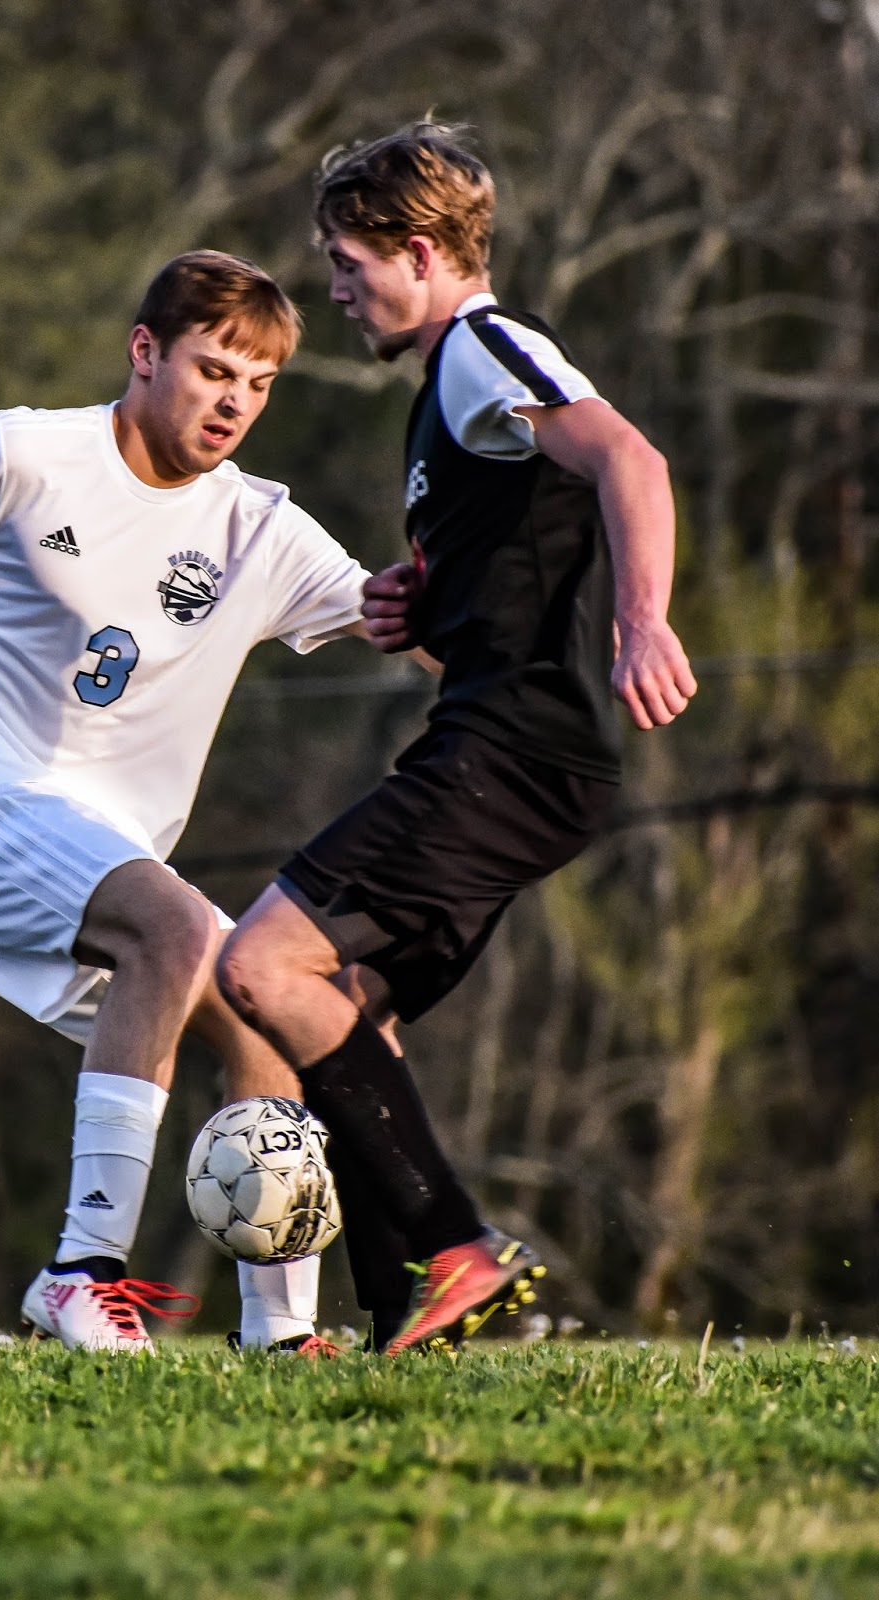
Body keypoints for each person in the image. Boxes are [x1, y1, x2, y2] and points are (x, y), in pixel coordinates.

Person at [0, 250, 403, 1356]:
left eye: (258, 385)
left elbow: (414, 627)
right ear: (144, 351)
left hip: (96, 853)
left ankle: (282, 1331)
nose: (233, 402)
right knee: (168, 923)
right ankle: (79, 1273)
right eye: (214, 369)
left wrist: (549, 618)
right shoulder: (18, 452)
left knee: (266, 997)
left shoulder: (260, 530)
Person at [217, 122, 698, 1355]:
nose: (333, 288)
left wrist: (646, 621)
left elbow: (630, 462)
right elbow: (522, 557)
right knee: (348, 1009)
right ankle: (409, 1312)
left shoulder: (483, 349)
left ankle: (453, 1242)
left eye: (346, 260)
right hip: (521, 752)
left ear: (420, 252)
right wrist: (417, 603)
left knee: (262, 967)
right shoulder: (456, 390)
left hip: (512, 751)